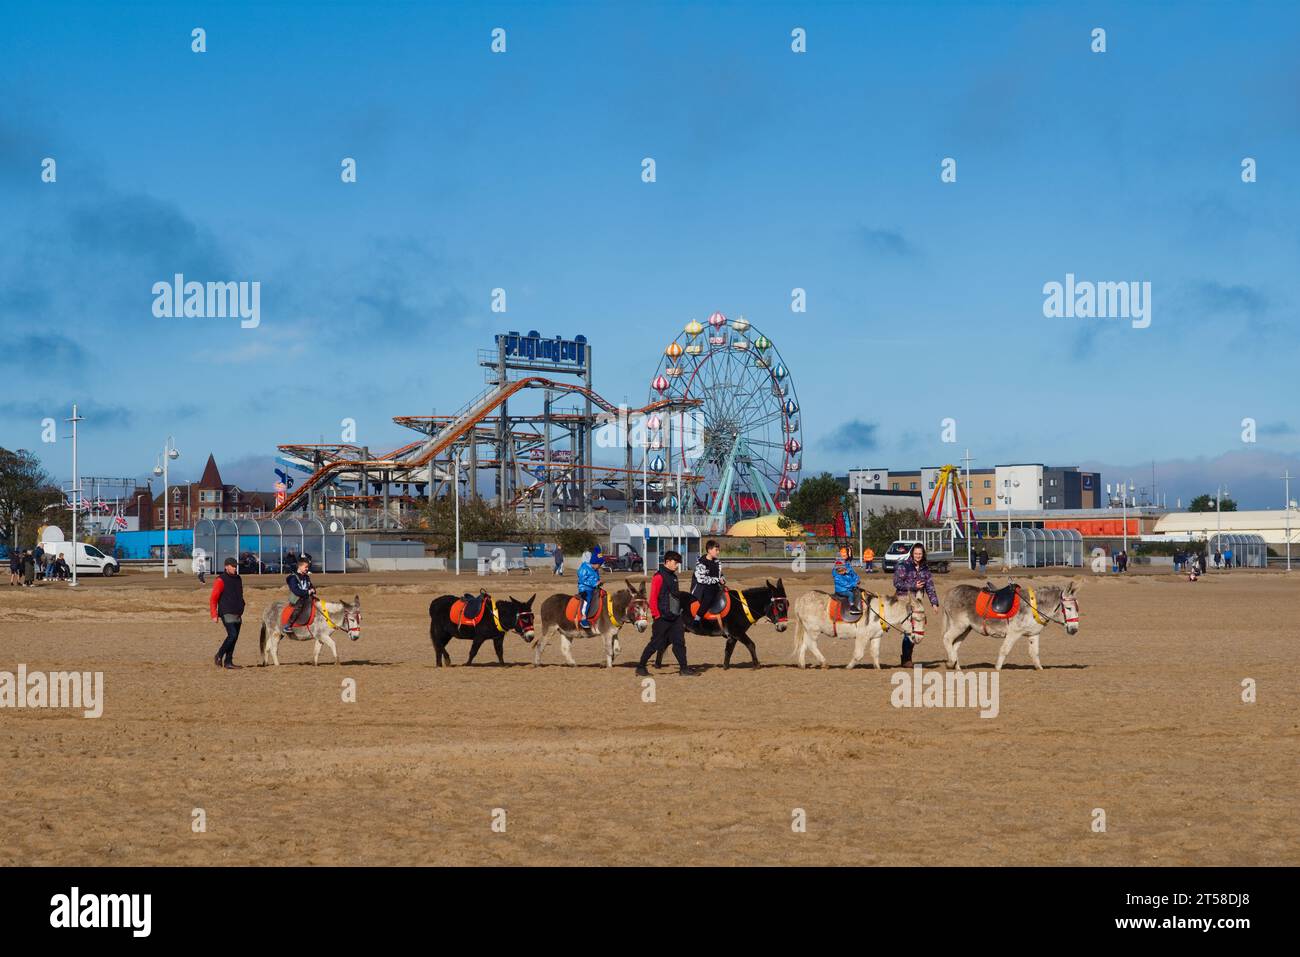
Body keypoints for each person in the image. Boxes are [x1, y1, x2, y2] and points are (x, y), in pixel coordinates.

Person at [636, 550, 697, 677]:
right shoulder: (658, 577)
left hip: (675, 618)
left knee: (679, 643)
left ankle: (684, 669)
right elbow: (653, 599)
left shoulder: (674, 577)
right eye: (675, 562)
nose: (677, 565)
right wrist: (657, 616)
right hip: (662, 618)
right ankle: (641, 667)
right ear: (667, 561)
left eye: (678, 563)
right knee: (655, 644)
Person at [892, 543, 940, 667]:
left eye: (920, 554)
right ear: (912, 553)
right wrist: (913, 586)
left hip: (917, 602)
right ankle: (906, 659)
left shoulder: (925, 569)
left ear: (923, 554)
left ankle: (907, 657)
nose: (918, 556)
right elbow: (897, 583)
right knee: (909, 629)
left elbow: (930, 586)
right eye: (916, 553)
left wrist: (934, 603)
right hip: (903, 600)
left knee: (917, 629)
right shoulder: (903, 565)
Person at [209, 557, 245, 668]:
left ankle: (228, 662)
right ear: (226, 567)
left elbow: (239, 594)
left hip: (237, 612)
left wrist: (242, 605)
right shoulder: (220, 580)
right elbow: (213, 598)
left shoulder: (238, 578)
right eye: (233, 566)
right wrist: (214, 615)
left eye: (236, 566)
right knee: (232, 635)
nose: (235, 568)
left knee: (234, 638)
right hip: (226, 611)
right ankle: (219, 655)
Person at [691, 539, 724, 626]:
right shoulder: (701, 563)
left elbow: (720, 575)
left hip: (715, 586)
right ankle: (697, 618)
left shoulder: (717, 562)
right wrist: (717, 580)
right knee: (709, 596)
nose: (718, 552)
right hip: (701, 588)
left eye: (718, 550)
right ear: (709, 550)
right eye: (716, 550)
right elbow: (701, 579)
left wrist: (722, 579)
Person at [576, 545, 604, 629]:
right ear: (594, 562)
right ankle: (583, 618)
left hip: (593, 588)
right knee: (588, 599)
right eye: (599, 564)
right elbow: (582, 580)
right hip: (584, 588)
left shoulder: (596, 569)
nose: (600, 566)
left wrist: (599, 583)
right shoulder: (584, 568)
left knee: (603, 595)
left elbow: (596, 579)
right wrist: (594, 583)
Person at [286, 556, 316, 627]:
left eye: (308, 567)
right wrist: (307, 592)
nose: (307, 569)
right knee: (299, 606)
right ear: (299, 566)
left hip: (306, 597)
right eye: (305, 567)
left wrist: (313, 590)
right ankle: (288, 625)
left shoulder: (306, 577)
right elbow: (296, 591)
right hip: (296, 599)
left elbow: (310, 586)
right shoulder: (293, 578)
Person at [833, 546, 861, 613]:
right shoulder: (837, 568)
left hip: (849, 587)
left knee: (859, 592)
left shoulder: (847, 564)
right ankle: (852, 608)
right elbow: (843, 582)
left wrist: (857, 579)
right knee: (850, 594)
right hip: (842, 589)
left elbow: (853, 574)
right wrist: (854, 584)